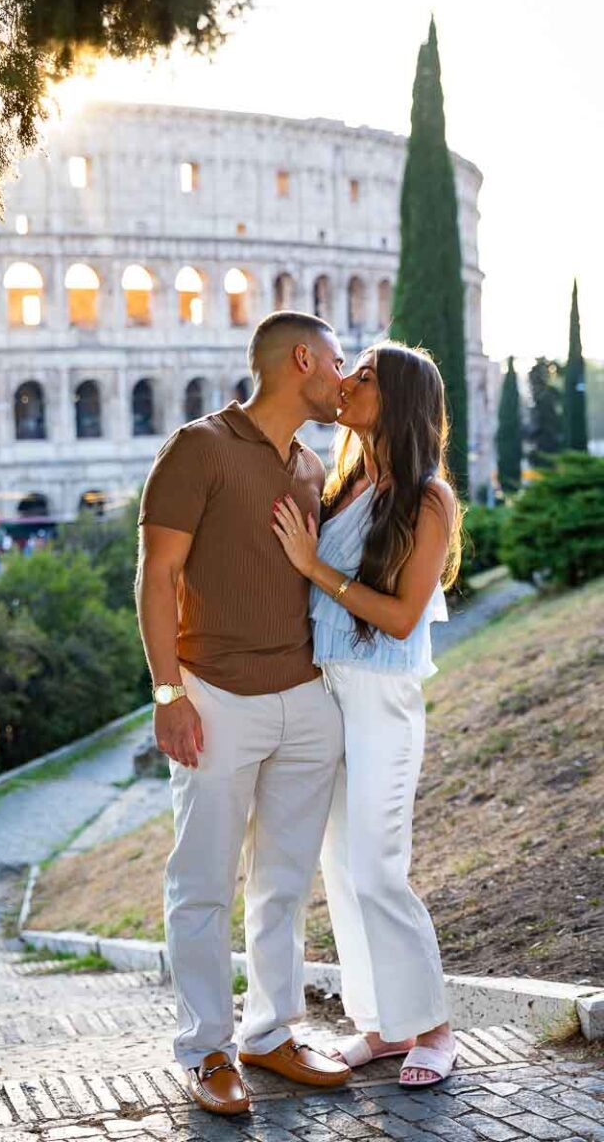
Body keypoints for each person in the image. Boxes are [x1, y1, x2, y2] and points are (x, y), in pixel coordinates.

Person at [135, 311, 351, 1116]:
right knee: (201, 885)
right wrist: (168, 693)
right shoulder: (199, 447)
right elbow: (157, 576)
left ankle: (269, 1034)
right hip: (216, 698)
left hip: (305, 699)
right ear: (302, 360)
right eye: (336, 361)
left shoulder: (311, 464)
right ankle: (205, 1050)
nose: (343, 375)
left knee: (283, 885)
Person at [271, 342, 463, 1088]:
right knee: (342, 867)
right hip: (328, 695)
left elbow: (402, 615)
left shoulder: (427, 498)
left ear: (401, 400)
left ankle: (437, 1028)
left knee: (380, 868)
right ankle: (381, 1026)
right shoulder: (346, 479)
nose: (345, 382)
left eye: (365, 377)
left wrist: (314, 566)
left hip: (381, 702)